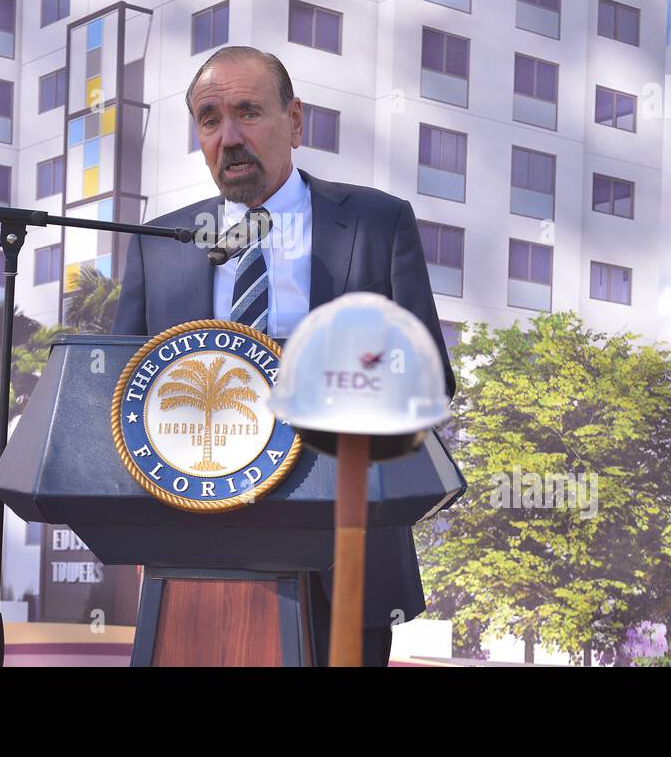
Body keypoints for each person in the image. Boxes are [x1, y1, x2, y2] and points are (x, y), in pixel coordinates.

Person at [113, 46, 456, 666]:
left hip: (349, 556)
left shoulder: (377, 223)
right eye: (210, 119)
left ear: (295, 121)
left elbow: (427, 374)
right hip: (195, 559)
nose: (230, 137)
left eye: (248, 112)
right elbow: (119, 393)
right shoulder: (159, 244)